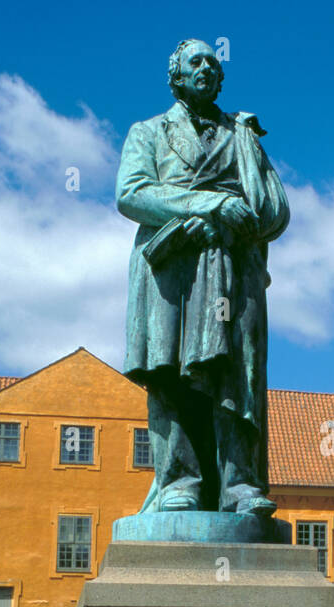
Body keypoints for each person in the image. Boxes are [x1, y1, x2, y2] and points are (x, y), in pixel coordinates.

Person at [116, 39, 289, 514]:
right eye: (197, 61)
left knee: (239, 373)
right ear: (176, 75)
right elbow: (131, 194)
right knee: (169, 372)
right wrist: (209, 202)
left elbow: (274, 210)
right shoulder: (147, 132)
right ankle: (179, 483)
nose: (207, 68)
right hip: (171, 269)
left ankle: (240, 484)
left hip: (232, 267)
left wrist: (246, 176)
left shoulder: (241, 137)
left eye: (214, 62)